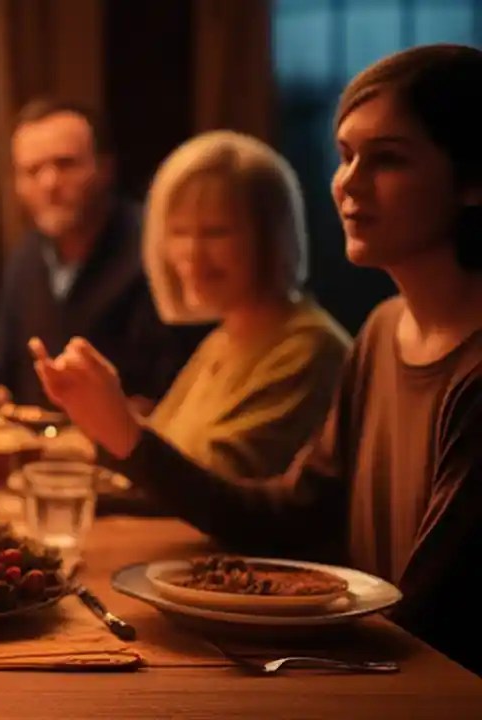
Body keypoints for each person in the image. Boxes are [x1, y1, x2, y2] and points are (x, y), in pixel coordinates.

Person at [33, 45, 482, 673]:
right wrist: (124, 435)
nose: (348, 183)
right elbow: (289, 517)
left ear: (471, 178)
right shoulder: (383, 332)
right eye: (346, 156)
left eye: (388, 159)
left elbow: (434, 619)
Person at [73, 130, 349, 481]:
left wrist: (115, 425)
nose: (192, 254)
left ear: (271, 236)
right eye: (179, 232)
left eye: (217, 232)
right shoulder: (225, 338)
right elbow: (159, 450)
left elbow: (213, 489)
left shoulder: (308, 350)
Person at [0, 99, 205, 408]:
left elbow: (176, 393)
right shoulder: (26, 257)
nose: (49, 183)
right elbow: (3, 375)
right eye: (32, 171)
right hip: (37, 450)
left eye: (65, 164)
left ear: (105, 168)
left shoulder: (158, 250)